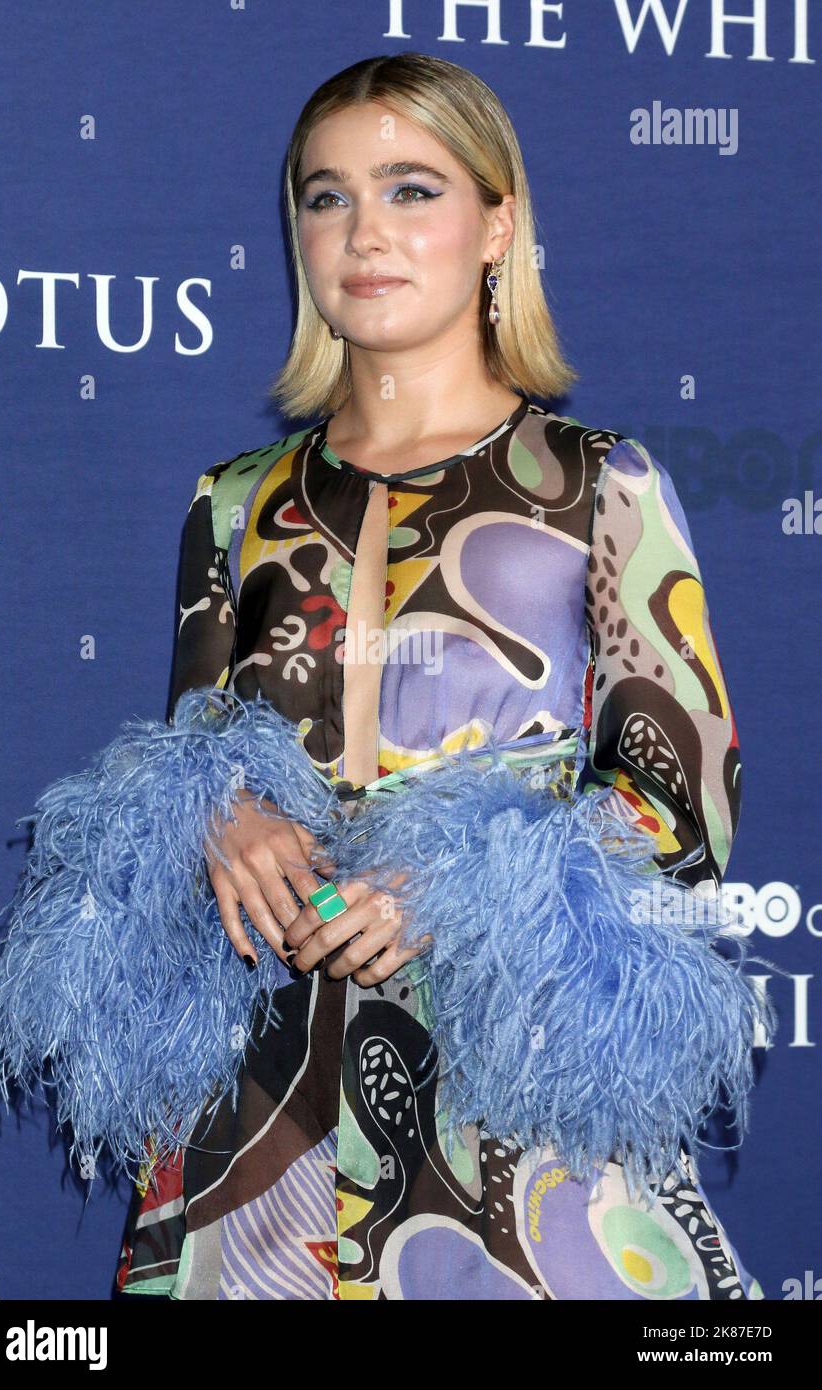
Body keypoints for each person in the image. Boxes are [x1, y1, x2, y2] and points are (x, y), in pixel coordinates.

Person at [116, 52, 761, 1301]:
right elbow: (186, 751)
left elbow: (682, 807)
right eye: (325, 196)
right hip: (259, 1121)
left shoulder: (592, 483)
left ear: (495, 225)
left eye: (411, 189)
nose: (363, 232)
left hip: (512, 1099)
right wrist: (211, 810)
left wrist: (468, 879)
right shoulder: (234, 503)